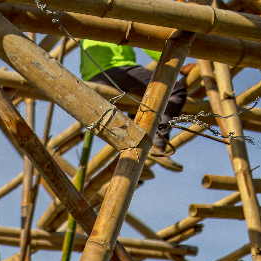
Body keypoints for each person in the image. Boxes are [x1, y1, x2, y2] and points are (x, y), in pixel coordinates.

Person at [80, 39, 190, 172]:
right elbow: (149, 44)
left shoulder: (91, 19)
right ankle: (157, 144)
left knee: (142, 107)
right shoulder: (122, 18)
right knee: (174, 90)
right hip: (114, 68)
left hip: (92, 74)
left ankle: (134, 164)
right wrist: (180, 66)